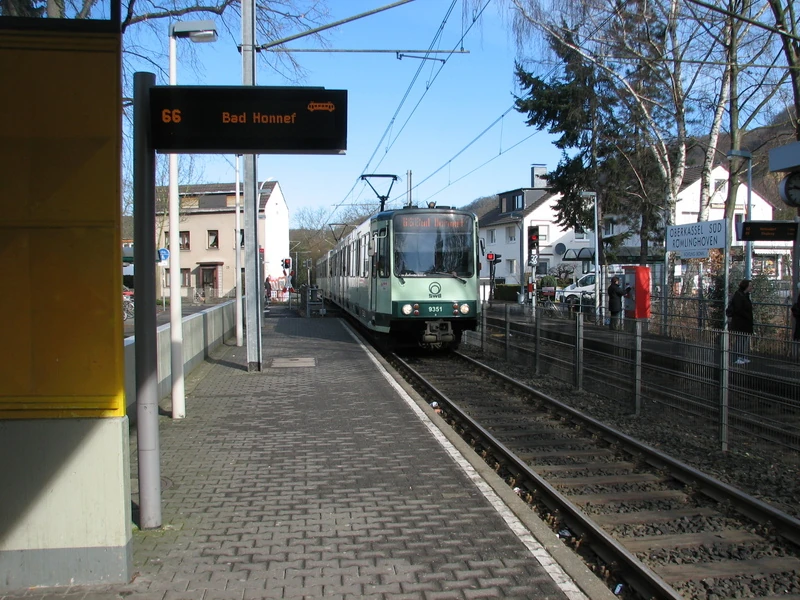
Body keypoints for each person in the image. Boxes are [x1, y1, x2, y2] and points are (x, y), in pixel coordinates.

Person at [728, 279, 754, 365]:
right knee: (740, 339)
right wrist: (746, 316)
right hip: (740, 321)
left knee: (744, 339)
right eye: (750, 286)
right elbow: (738, 309)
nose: (751, 287)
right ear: (746, 286)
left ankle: (741, 356)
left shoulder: (745, 295)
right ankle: (737, 357)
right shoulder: (739, 295)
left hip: (745, 321)